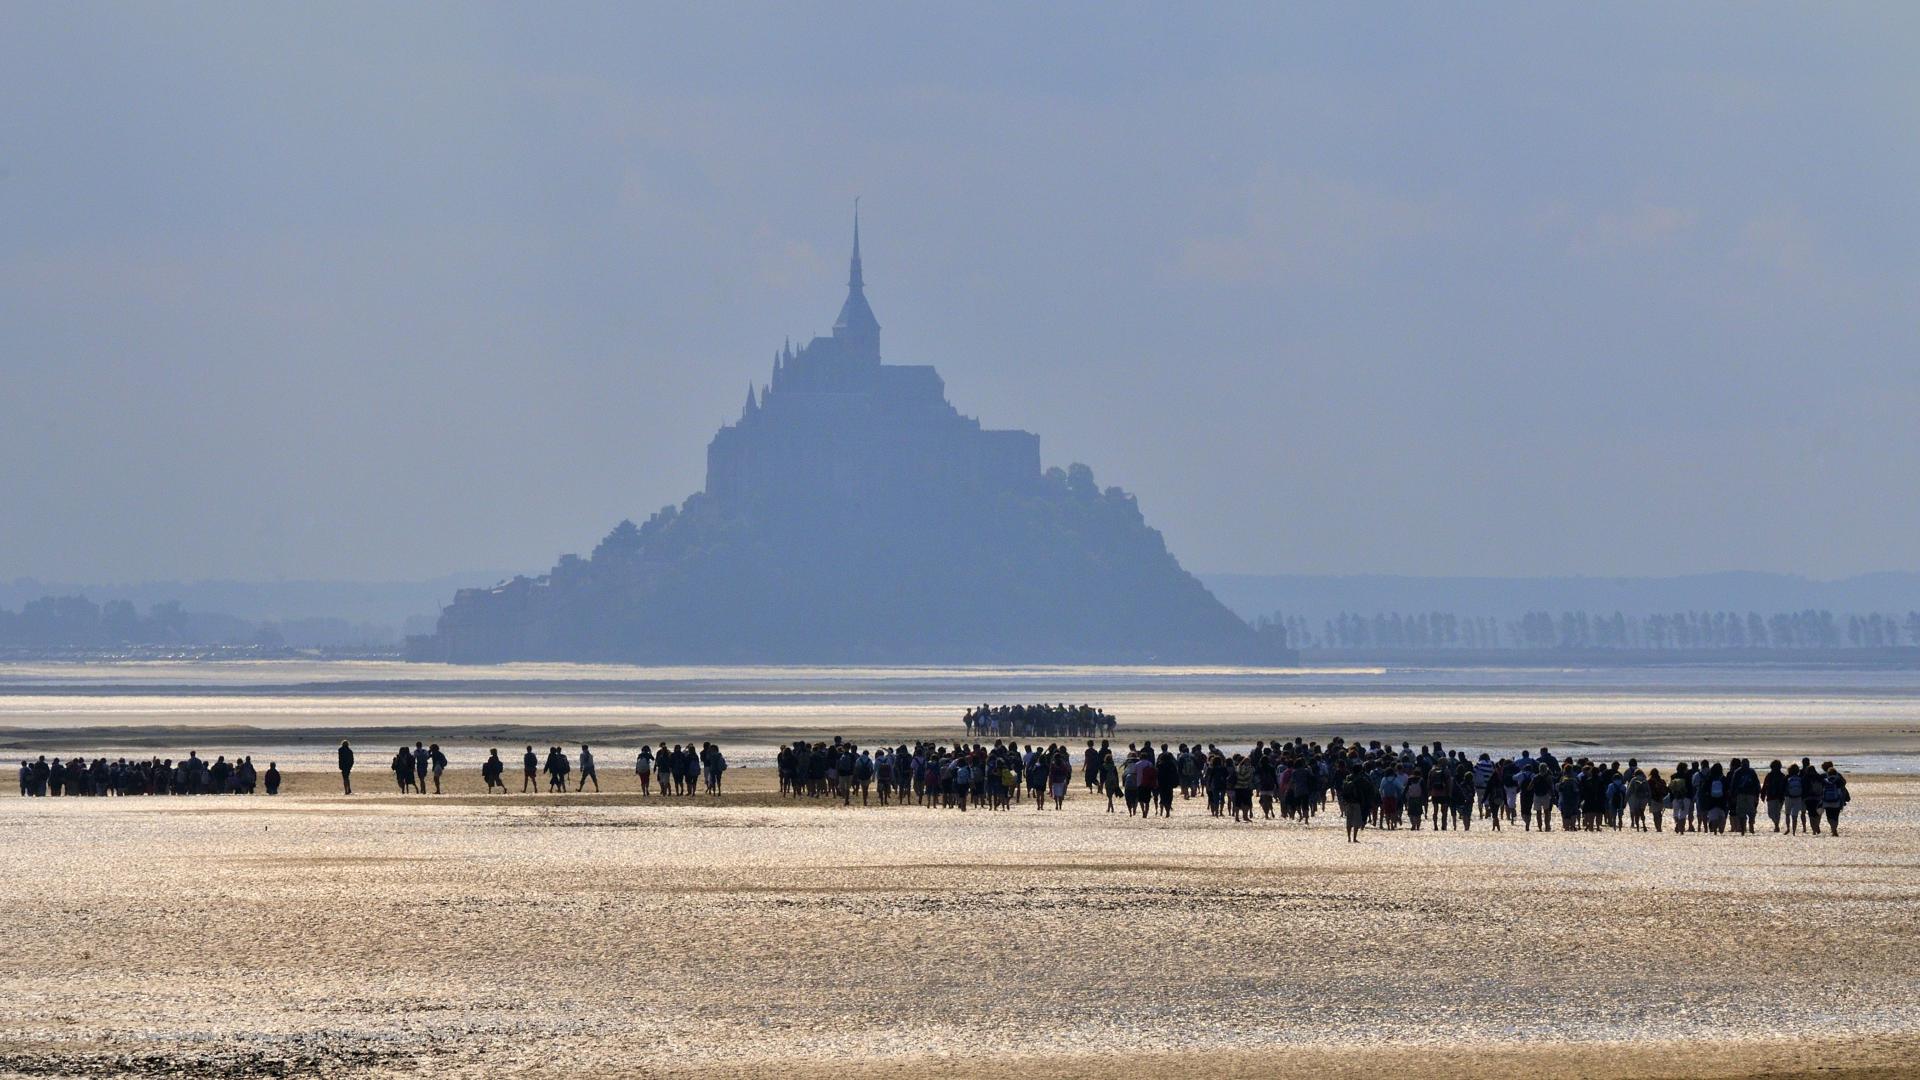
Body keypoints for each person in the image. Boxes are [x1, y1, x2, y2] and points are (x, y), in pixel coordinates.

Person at [1820, 763, 1850, 836]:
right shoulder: (1838, 778)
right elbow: (1844, 784)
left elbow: (1821, 789)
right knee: (1836, 816)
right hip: (1837, 800)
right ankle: (1834, 829)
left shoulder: (1824, 778)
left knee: (1829, 816)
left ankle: (1833, 829)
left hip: (1827, 801)